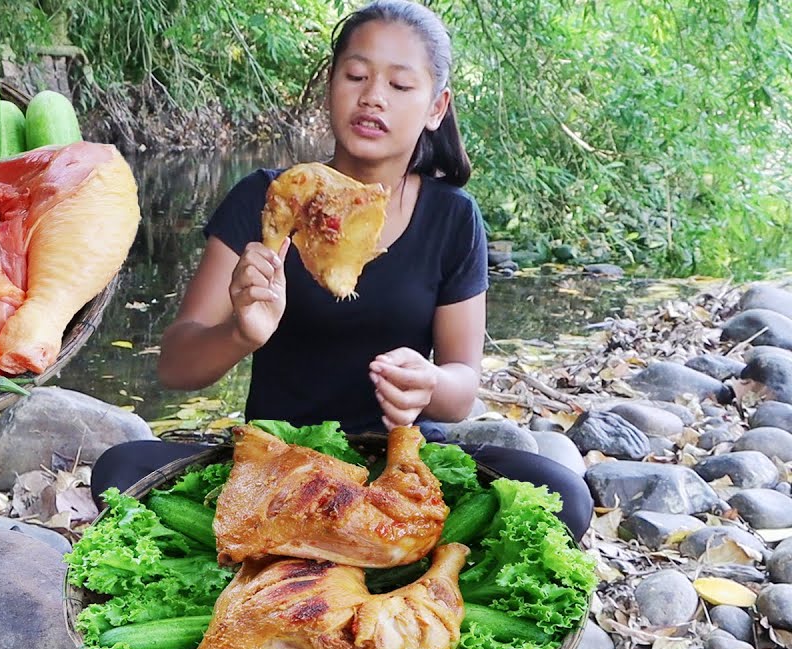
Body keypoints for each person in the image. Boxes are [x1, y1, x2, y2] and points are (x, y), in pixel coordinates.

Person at [92, 0, 593, 539]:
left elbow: (462, 389)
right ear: (332, 85)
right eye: (356, 75)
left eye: (400, 86)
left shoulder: (452, 217)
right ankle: (353, 554)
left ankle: (330, 549)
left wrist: (426, 385)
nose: (372, 96)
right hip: (275, 467)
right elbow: (174, 367)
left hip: (395, 474)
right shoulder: (268, 200)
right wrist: (241, 331)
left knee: (561, 493)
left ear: (435, 107)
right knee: (120, 470)